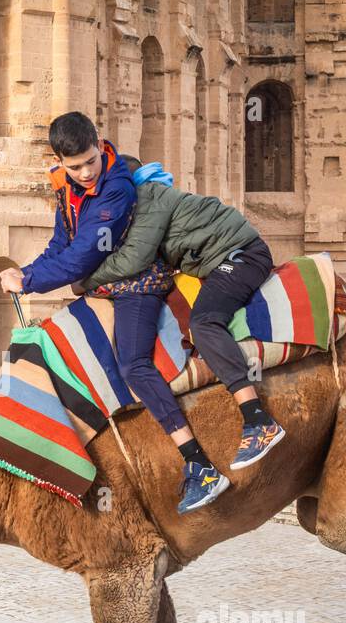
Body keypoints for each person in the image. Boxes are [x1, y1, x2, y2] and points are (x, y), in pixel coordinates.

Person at [71, 152, 286, 512]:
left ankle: (258, 420)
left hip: (240, 256)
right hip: (222, 259)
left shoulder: (149, 202)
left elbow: (134, 259)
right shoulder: (143, 204)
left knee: (204, 324)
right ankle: (198, 465)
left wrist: (81, 280)